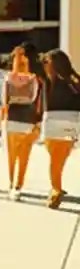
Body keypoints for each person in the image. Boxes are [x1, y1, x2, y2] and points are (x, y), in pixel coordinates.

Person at [0, 44, 44, 201]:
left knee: (12, 156)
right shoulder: (34, 80)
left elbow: (4, 102)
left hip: (11, 119)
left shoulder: (7, 79)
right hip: (28, 120)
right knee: (24, 156)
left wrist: (0, 121)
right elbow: (36, 101)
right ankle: (18, 185)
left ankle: (11, 184)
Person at [42, 49, 80, 210]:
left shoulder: (49, 80)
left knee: (54, 160)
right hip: (72, 122)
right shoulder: (75, 80)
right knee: (60, 159)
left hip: (53, 122)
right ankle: (57, 186)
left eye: (47, 62)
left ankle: (55, 190)